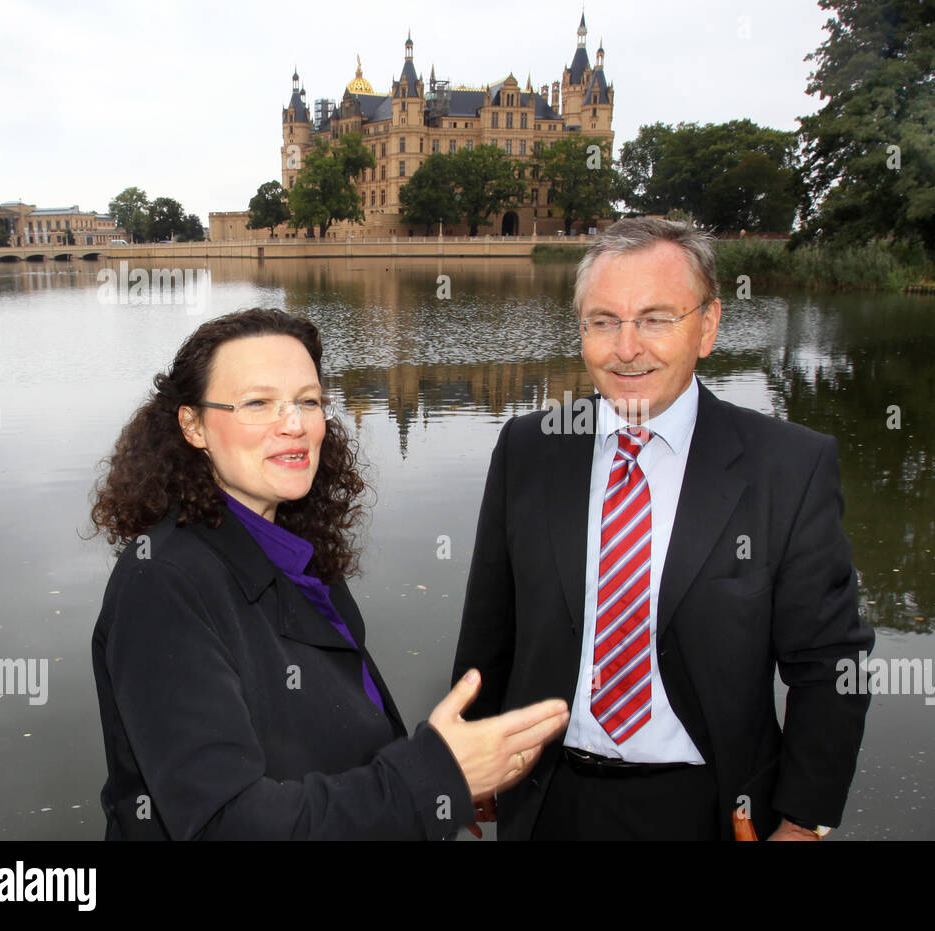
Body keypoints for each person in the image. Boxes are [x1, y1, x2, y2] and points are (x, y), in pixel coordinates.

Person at [452, 218, 875, 840]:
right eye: (604, 321)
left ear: (707, 326)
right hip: (546, 801)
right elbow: (492, 624)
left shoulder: (787, 467)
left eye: (655, 319)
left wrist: (802, 821)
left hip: (710, 808)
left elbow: (830, 663)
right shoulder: (530, 448)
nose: (627, 348)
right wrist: (473, 759)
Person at [89, 308, 568, 840]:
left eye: (308, 400)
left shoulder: (292, 552)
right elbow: (225, 825)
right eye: (257, 403)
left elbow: (323, 745)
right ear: (193, 425)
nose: (294, 424)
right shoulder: (162, 585)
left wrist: (444, 788)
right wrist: (433, 777)